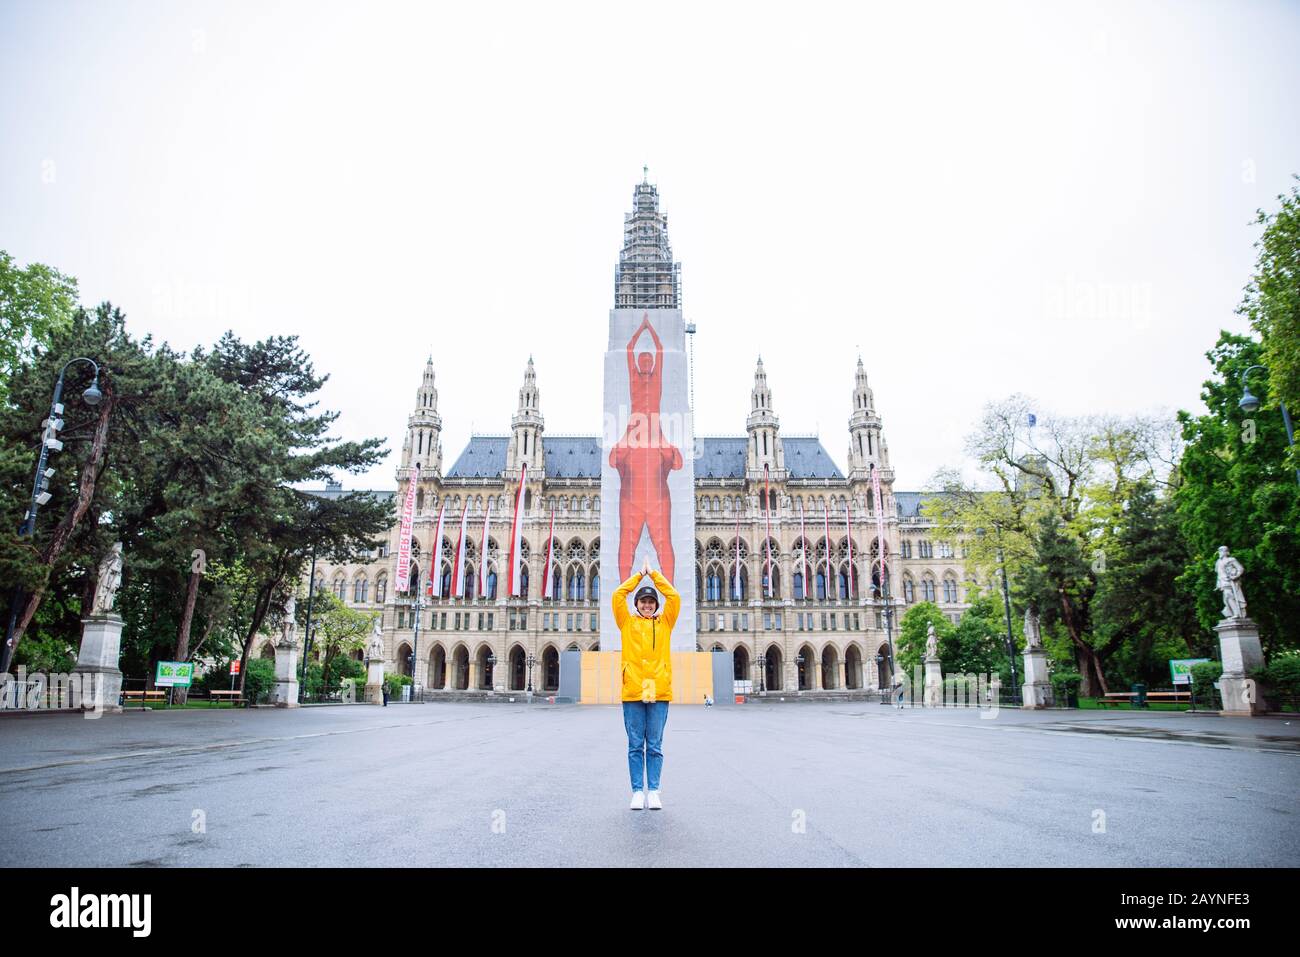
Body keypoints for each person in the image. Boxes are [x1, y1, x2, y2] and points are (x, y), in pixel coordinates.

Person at [612, 556, 680, 810]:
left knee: (655, 745)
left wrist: (655, 575)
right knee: (634, 745)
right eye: (644, 601)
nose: (648, 605)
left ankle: (654, 790)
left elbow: (673, 597)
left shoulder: (665, 623)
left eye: (651, 602)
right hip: (633, 690)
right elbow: (619, 594)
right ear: (637, 604)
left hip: (658, 690)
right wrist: (640, 576)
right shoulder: (626, 622)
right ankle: (637, 791)